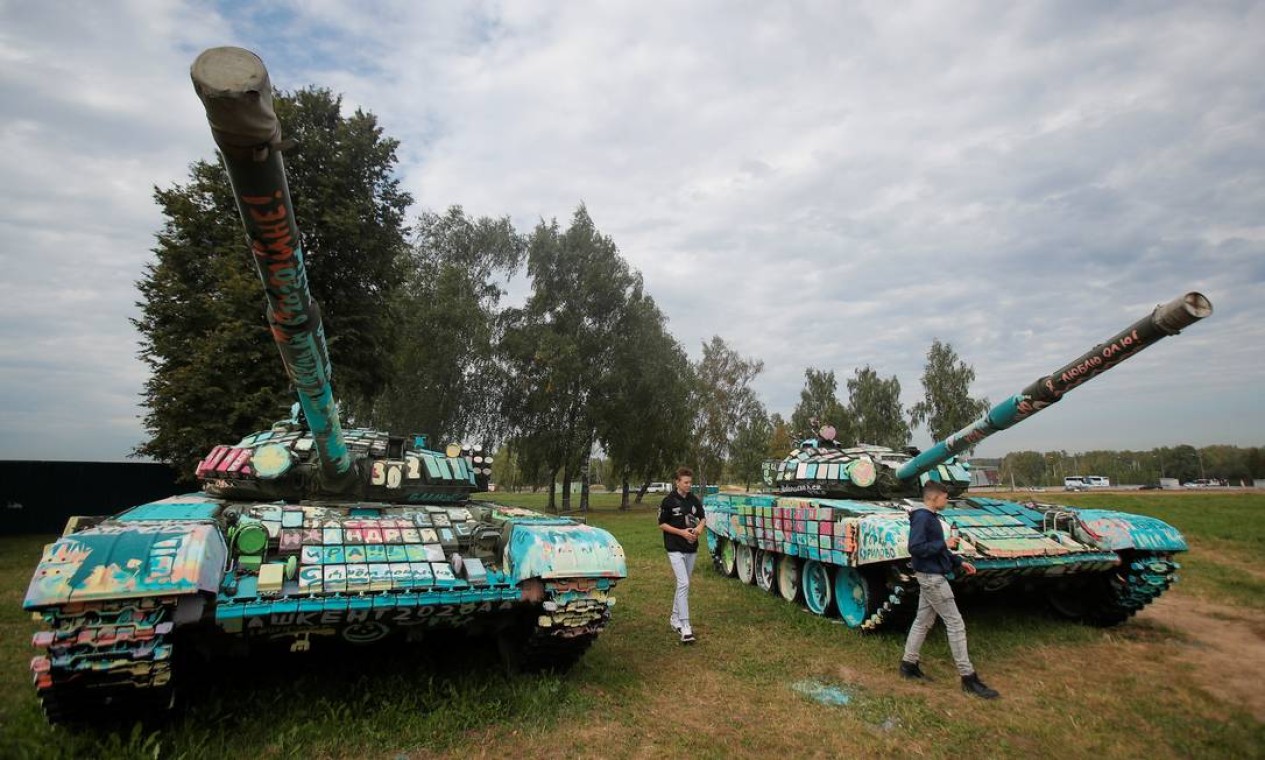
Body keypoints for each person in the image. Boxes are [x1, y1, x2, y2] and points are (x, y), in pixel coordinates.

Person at [899, 479, 1000, 699]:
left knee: (922, 621)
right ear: (934, 497)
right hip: (932, 578)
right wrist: (945, 544)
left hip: (931, 573)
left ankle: (908, 664)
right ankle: (968, 678)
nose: (947, 500)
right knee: (955, 623)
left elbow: (934, 548)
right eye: (945, 497)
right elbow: (915, 548)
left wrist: (957, 562)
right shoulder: (923, 518)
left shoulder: (929, 517)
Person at [658, 467, 706, 645]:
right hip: (674, 548)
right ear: (677, 482)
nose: (688, 485)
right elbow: (662, 524)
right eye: (685, 482)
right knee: (684, 583)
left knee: (683, 584)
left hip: (691, 548)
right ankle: (686, 627)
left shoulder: (694, 499)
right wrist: (681, 533)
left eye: (690, 482)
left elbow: (702, 518)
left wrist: (699, 529)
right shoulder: (668, 501)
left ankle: (674, 618)